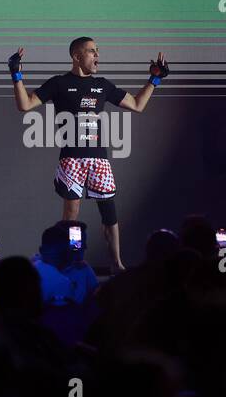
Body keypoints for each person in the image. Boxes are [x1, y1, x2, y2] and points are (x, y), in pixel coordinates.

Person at [10, 37, 169, 272]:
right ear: (76, 56)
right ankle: (70, 261)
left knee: (109, 213)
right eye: (92, 52)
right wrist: (16, 75)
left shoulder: (102, 85)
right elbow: (25, 104)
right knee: (71, 216)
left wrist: (155, 79)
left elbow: (137, 104)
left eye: (98, 52)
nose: (97, 56)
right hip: (72, 159)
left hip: (99, 159)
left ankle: (117, 263)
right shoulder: (59, 83)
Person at [32, 221, 99, 307]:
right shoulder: (35, 271)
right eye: (75, 246)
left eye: (83, 246)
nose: (80, 253)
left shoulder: (84, 270)